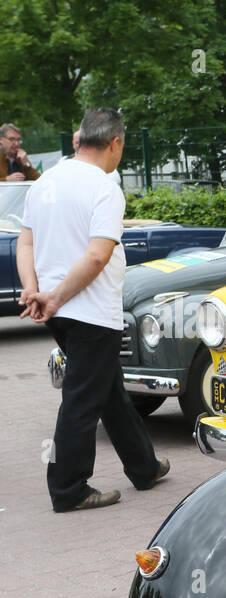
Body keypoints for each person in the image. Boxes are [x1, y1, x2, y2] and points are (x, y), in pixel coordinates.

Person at [17, 107, 168, 512]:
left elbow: (25, 243)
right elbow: (98, 256)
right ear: (115, 143)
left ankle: (145, 467)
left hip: (61, 309)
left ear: (79, 138)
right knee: (83, 398)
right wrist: (56, 297)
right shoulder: (104, 188)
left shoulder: (45, 182)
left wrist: (36, 291)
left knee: (107, 390)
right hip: (90, 309)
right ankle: (69, 489)